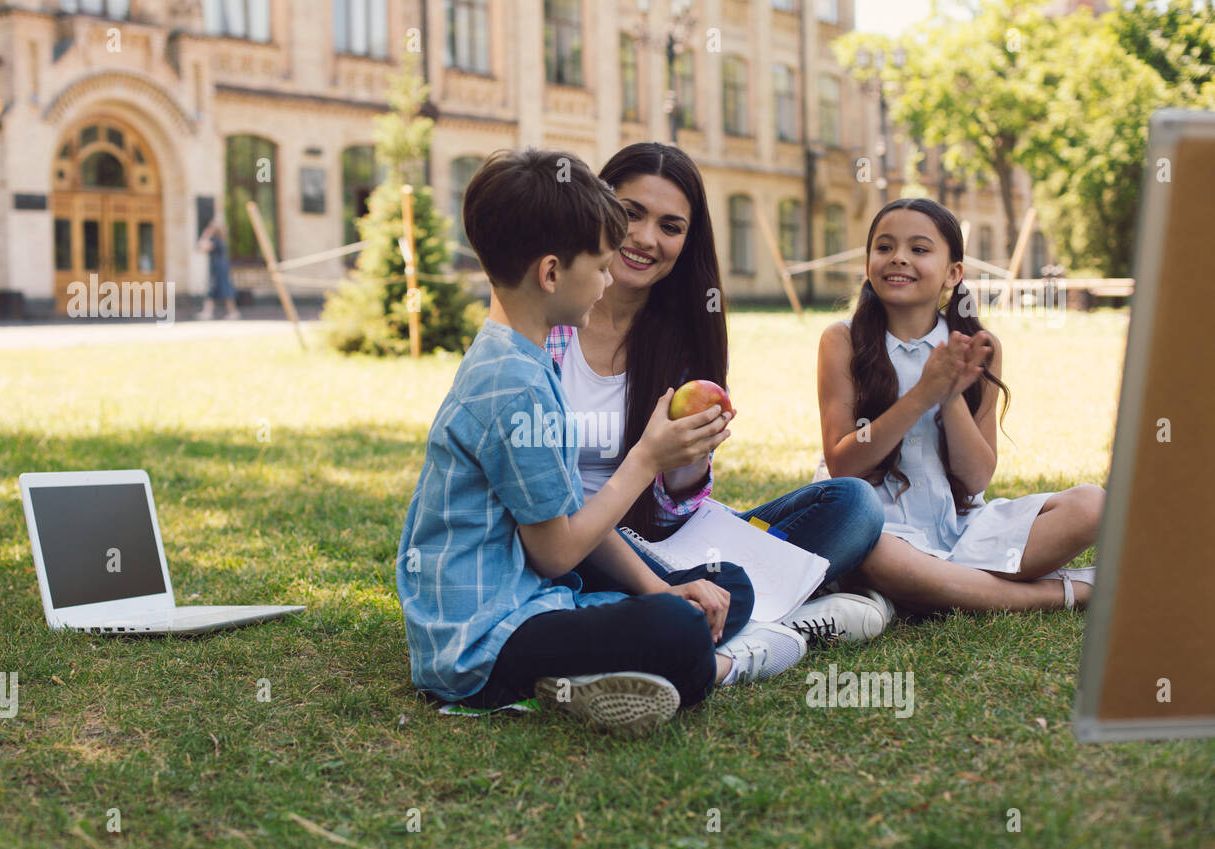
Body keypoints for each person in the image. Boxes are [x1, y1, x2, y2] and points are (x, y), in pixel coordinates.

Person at [396, 148, 811, 737]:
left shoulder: (519, 358)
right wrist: (646, 459)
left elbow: (568, 517)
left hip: (525, 605)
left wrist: (664, 586)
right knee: (678, 631)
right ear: (550, 274)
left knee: (709, 597)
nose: (610, 277)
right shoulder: (517, 385)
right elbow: (557, 553)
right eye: (599, 265)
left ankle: (596, 674)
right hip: (479, 644)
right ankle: (726, 664)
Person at [547, 142, 891, 649]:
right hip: (570, 540)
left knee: (854, 504)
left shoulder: (686, 337)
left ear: (688, 240)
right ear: (598, 210)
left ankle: (705, 608)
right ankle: (774, 619)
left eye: (670, 226)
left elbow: (671, 515)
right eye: (630, 214)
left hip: (661, 541)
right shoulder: (547, 320)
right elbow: (537, 500)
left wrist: (686, 464)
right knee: (719, 584)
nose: (645, 238)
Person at [817, 197, 1103, 613]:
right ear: (867, 264)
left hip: (962, 525)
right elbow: (843, 465)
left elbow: (976, 479)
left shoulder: (978, 347)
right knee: (874, 554)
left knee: (1092, 504)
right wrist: (922, 396)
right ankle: (1060, 592)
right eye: (884, 247)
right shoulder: (841, 340)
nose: (898, 258)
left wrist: (950, 399)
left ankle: (939, 586)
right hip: (878, 529)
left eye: (918, 249)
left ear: (953, 273)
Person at [196, 216, 239, 321]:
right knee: (220, 288)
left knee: (216, 288)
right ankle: (229, 312)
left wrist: (205, 235)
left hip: (218, 268)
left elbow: (201, 247)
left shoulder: (215, 240)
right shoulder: (221, 240)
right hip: (221, 267)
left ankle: (210, 313)